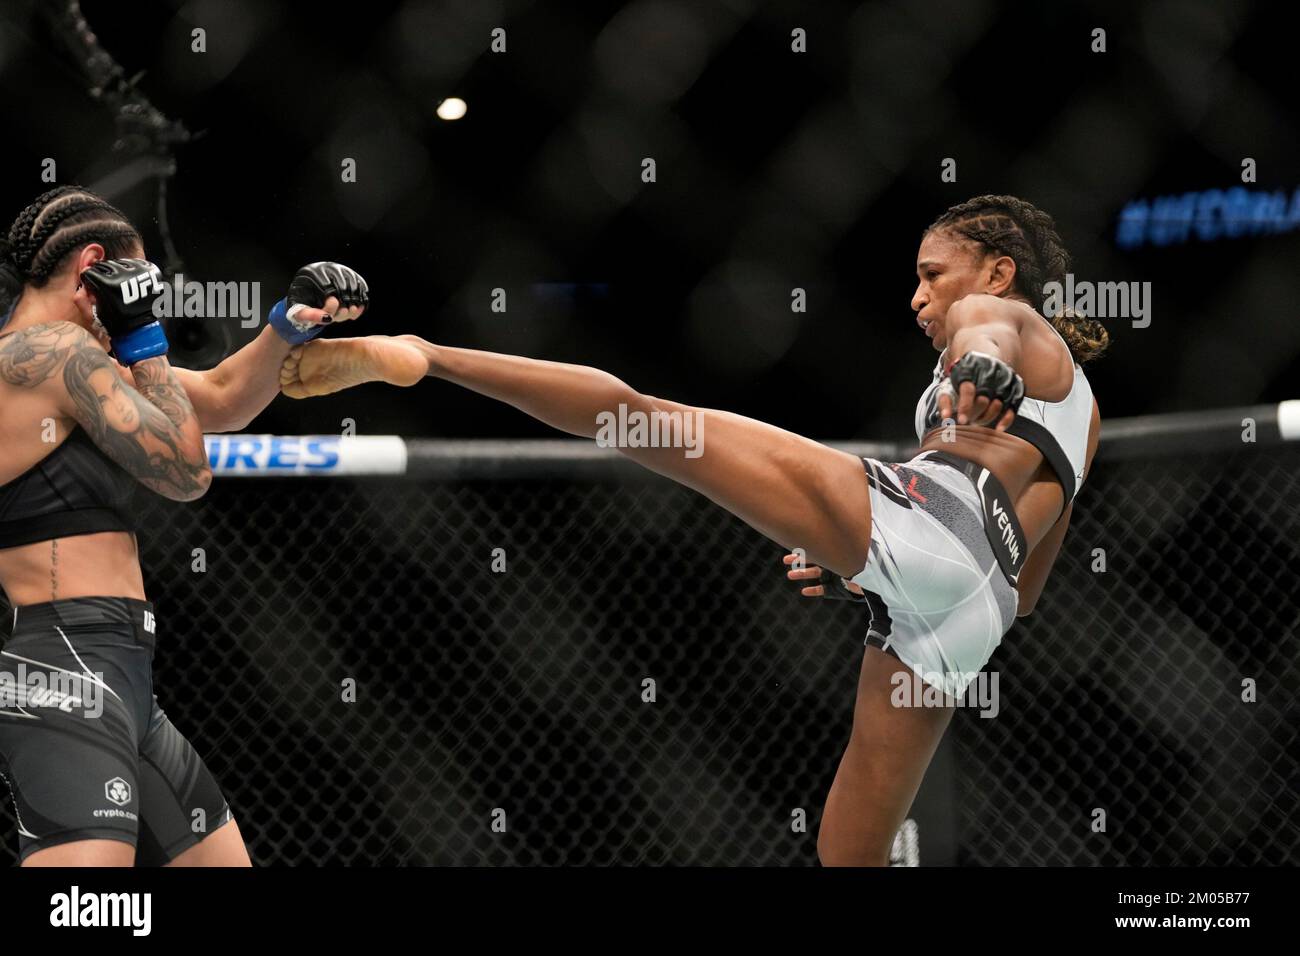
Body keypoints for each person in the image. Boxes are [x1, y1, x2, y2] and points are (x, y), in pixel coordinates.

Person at [280, 194, 1106, 866]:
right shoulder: (1084, 412)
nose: (918, 298)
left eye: (932, 275)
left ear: (997, 271)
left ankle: (428, 355)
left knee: (639, 420)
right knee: (851, 853)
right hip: (969, 617)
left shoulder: (998, 319)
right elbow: (1026, 587)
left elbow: (987, 335)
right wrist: (873, 566)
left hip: (929, 523)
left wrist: (975, 371)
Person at [0, 184, 380, 866]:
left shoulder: (80, 365)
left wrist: (286, 326)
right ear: (96, 270)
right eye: (143, 280)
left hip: (123, 670)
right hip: (64, 663)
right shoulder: (50, 352)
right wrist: (142, 339)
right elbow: (184, 471)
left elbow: (222, 400)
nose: (150, 298)